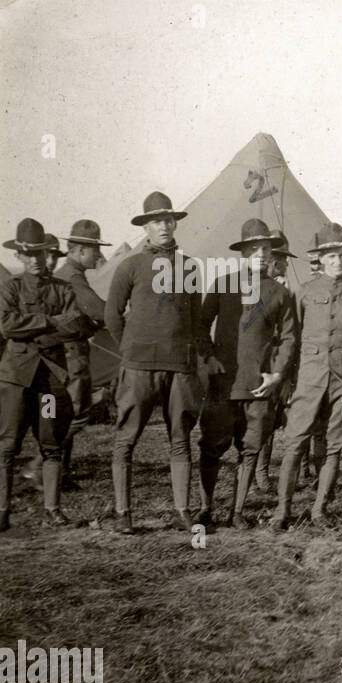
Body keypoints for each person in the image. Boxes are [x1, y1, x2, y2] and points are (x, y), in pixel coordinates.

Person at [105, 192, 217, 533]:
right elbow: (112, 315)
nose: (164, 226)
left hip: (180, 368)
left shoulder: (190, 267)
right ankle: (124, 513)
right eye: (156, 221)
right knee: (127, 438)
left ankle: (182, 510)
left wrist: (202, 355)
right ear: (146, 228)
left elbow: (197, 321)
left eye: (169, 220)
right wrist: (130, 350)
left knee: (180, 438)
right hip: (138, 366)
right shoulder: (131, 266)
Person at [271, 223, 342, 530]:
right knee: (295, 442)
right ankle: (282, 510)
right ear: (321, 258)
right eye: (331, 256)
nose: (337, 261)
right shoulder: (304, 292)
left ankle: (320, 509)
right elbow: (291, 340)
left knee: (336, 443)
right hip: (308, 379)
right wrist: (287, 383)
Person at [194, 219, 298, 528]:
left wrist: (277, 375)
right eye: (254, 249)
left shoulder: (281, 293)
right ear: (243, 253)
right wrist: (209, 357)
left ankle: (237, 512)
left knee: (250, 448)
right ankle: (205, 507)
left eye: (266, 249)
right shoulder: (223, 284)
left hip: (259, 387)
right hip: (223, 383)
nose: (261, 254)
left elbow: (289, 338)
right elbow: (200, 326)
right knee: (211, 446)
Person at [0, 218, 98, 530]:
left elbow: (75, 327)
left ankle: (53, 511)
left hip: (50, 383)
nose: (35, 260)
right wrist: (50, 321)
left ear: (48, 254)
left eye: (40, 253)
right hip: (16, 379)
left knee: (51, 441)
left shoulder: (64, 289)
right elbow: (6, 325)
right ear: (19, 256)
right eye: (28, 254)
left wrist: (31, 325)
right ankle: (2, 511)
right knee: (7, 444)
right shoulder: (9, 288)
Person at [53, 219, 112, 483]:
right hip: (72, 352)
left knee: (69, 411)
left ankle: (58, 472)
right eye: (95, 250)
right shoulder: (74, 279)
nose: (98, 255)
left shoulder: (66, 275)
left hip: (66, 351)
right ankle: (43, 468)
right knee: (77, 412)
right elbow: (100, 310)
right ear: (80, 251)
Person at [255, 230, 298, 492]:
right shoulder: (254, 287)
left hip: (283, 362)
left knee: (280, 417)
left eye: (284, 260)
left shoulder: (288, 291)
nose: (281, 264)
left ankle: (294, 471)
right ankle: (259, 473)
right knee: (262, 419)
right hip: (261, 361)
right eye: (277, 259)